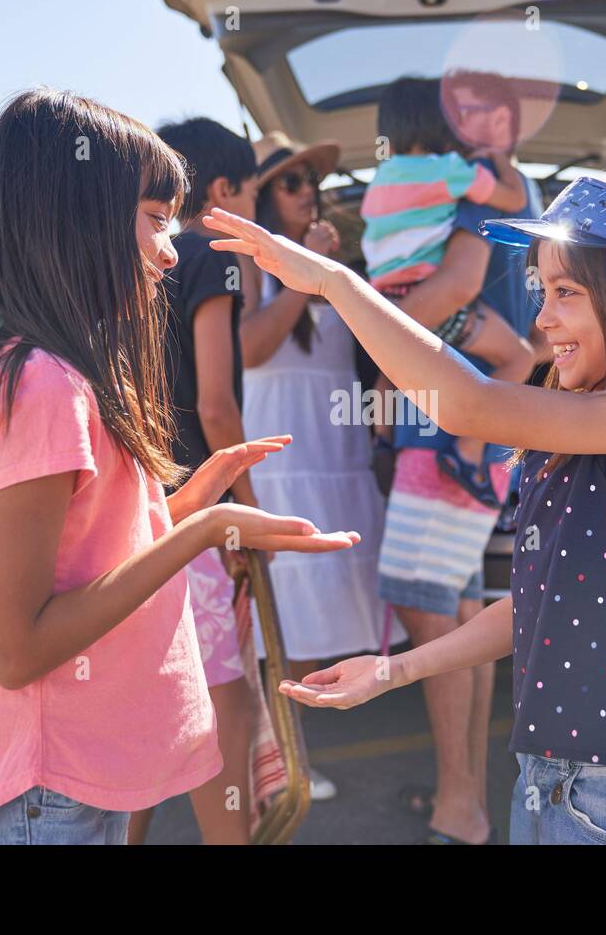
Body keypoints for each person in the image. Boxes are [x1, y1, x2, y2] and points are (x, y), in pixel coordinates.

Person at [203, 165, 606, 846]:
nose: (544, 318)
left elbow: (469, 404)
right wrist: (392, 670)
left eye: (567, 292)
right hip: (554, 781)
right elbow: (538, 604)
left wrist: (338, 283)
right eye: (543, 291)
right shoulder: (597, 424)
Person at [0, 88, 358, 846]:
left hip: (55, 774)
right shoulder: (45, 384)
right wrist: (208, 529)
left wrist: (188, 502)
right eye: (157, 220)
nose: (170, 248)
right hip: (42, 782)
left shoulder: (30, 369)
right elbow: (19, 648)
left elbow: (88, 557)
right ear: (77, 221)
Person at [371, 69, 543, 844]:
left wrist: (380, 365)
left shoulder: (472, 190)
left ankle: (462, 807)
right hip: (468, 425)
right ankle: (463, 795)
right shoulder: (503, 188)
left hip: (446, 426)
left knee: (422, 601)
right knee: (460, 608)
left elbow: (457, 284)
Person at [238, 132, 395, 802]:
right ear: (266, 199)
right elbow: (249, 348)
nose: (311, 193)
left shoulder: (336, 262)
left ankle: (286, 758)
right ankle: (278, 766)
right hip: (285, 463)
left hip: (341, 462)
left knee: (330, 620)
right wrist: (310, 276)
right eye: (292, 183)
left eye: (312, 182)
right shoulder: (256, 262)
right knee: (286, 626)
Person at [124, 117, 267, 846]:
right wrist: (249, 512)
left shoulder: (142, 256)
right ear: (223, 191)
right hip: (200, 505)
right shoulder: (212, 253)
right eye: (254, 190)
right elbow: (216, 400)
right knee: (223, 706)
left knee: (148, 712)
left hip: (146, 509)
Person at [362, 76, 534, 507]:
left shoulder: (379, 180)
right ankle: (469, 451)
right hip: (436, 309)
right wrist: (501, 165)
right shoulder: (455, 173)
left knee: (388, 367)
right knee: (519, 356)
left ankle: (382, 437)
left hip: (388, 296)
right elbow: (508, 205)